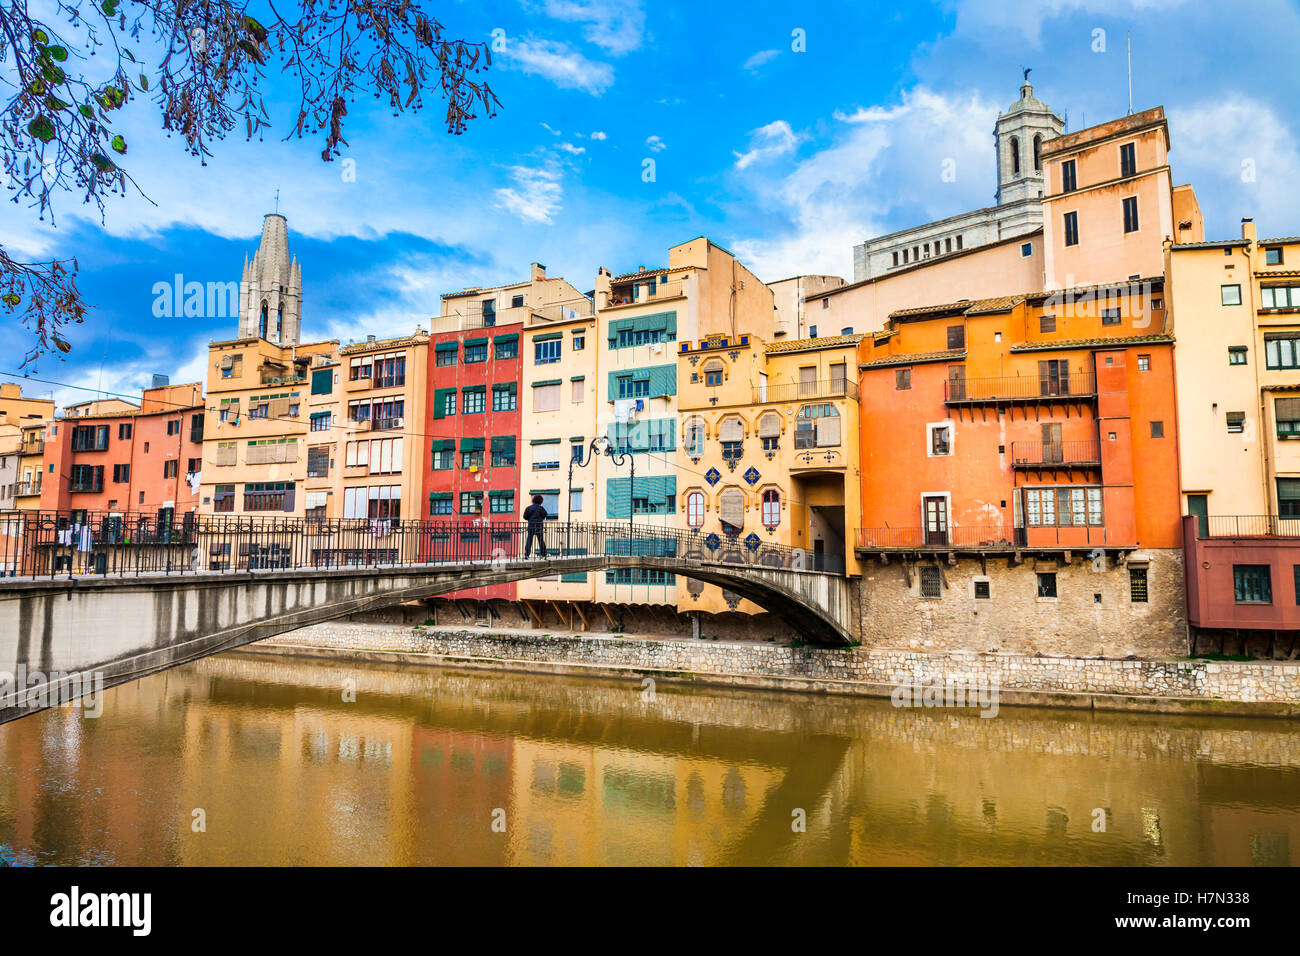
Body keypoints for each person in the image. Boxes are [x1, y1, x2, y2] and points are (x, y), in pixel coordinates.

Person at [523, 494, 549, 559]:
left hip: (531, 525)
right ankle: (543, 554)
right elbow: (545, 515)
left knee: (529, 540)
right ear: (540, 501)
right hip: (539, 526)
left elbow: (525, 517)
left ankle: (527, 554)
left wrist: (530, 519)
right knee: (540, 540)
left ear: (533, 500)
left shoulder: (528, 508)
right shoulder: (541, 508)